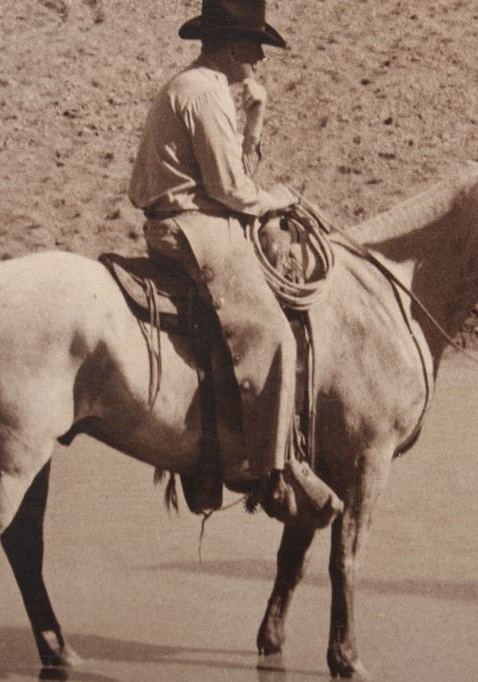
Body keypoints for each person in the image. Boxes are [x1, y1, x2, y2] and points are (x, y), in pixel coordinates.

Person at [128, 0, 337, 523]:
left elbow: (232, 173)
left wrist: (256, 116)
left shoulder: (209, 89)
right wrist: (281, 198)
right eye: (253, 47)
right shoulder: (203, 93)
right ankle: (276, 472)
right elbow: (233, 189)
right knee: (273, 334)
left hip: (195, 215)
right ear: (227, 45)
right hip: (191, 225)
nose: (259, 59)